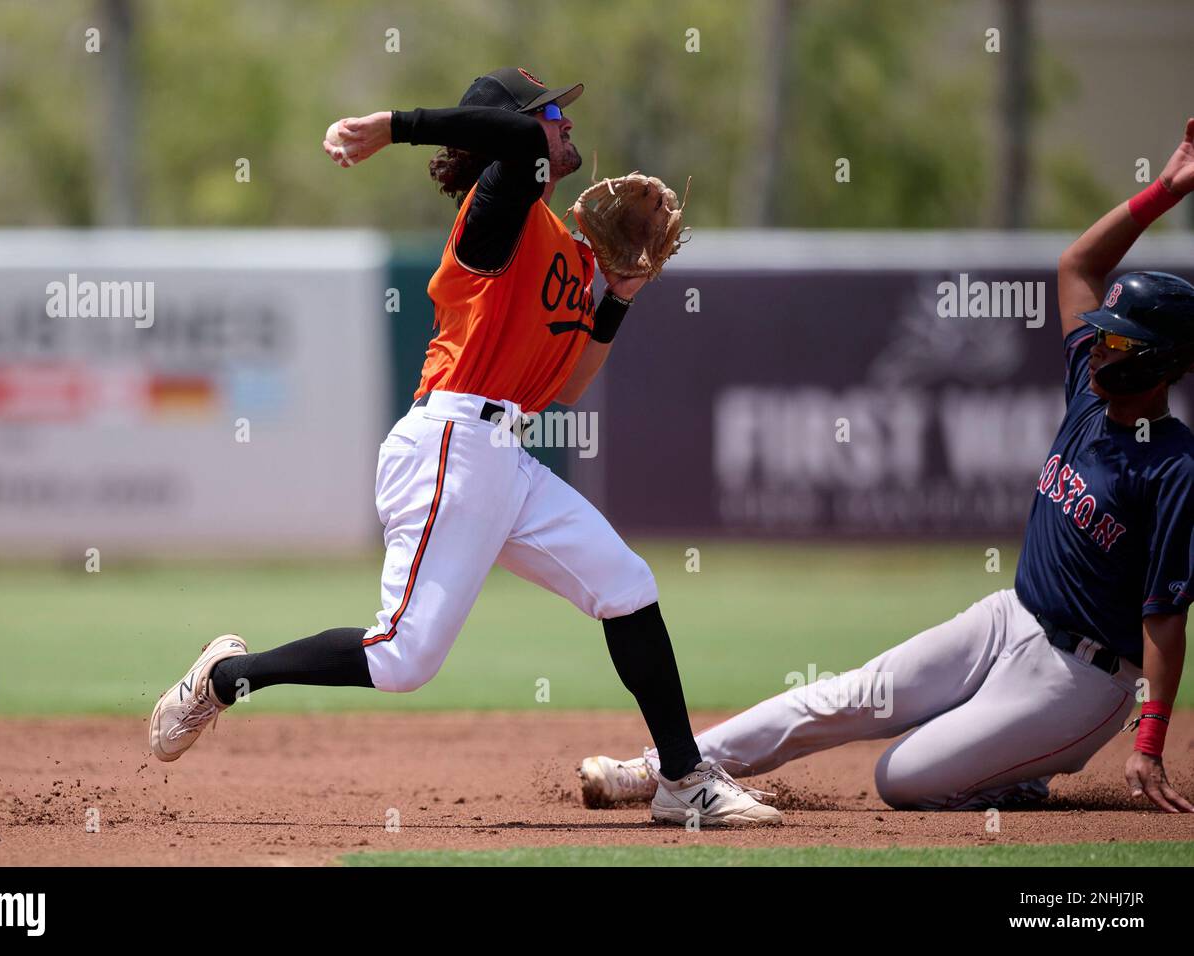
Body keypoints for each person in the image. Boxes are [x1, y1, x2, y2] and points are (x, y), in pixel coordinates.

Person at [148, 67, 780, 827]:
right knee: (401, 660)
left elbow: (568, 388)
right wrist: (392, 125)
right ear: (517, 127)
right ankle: (224, 678)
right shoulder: (499, 210)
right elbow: (513, 143)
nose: (567, 126)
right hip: (447, 445)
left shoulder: (570, 250)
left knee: (627, 585)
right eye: (554, 114)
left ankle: (684, 779)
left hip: (502, 457)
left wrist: (615, 297)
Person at [580, 119, 1194, 815]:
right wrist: (1165, 190)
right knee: (842, 697)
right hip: (1010, 617)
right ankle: (664, 768)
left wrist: (1148, 740)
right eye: (1105, 335)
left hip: (1085, 679)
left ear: (1163, 360)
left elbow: (1166, 618)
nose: (1102, 347)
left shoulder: (1175, 467)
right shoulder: (1089, 391)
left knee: (902, 778)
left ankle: (1010, 768)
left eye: (1121, 340)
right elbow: (1078, 267)